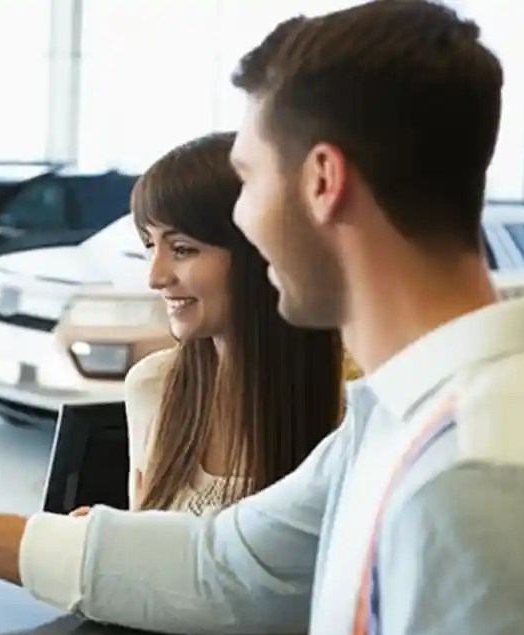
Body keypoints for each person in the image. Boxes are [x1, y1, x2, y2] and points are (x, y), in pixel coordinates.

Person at [0, 2, 524, 635]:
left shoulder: (479, 474)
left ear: (321, 181)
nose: (240, 219)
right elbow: (219, 563)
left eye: (246, 180)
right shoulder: (399, 422)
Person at [103, 131, 344, 514]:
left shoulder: (351, 404)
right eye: (150, 246)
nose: (156, 276)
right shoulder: (153, 386)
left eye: (182, 249)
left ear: (261, 251)